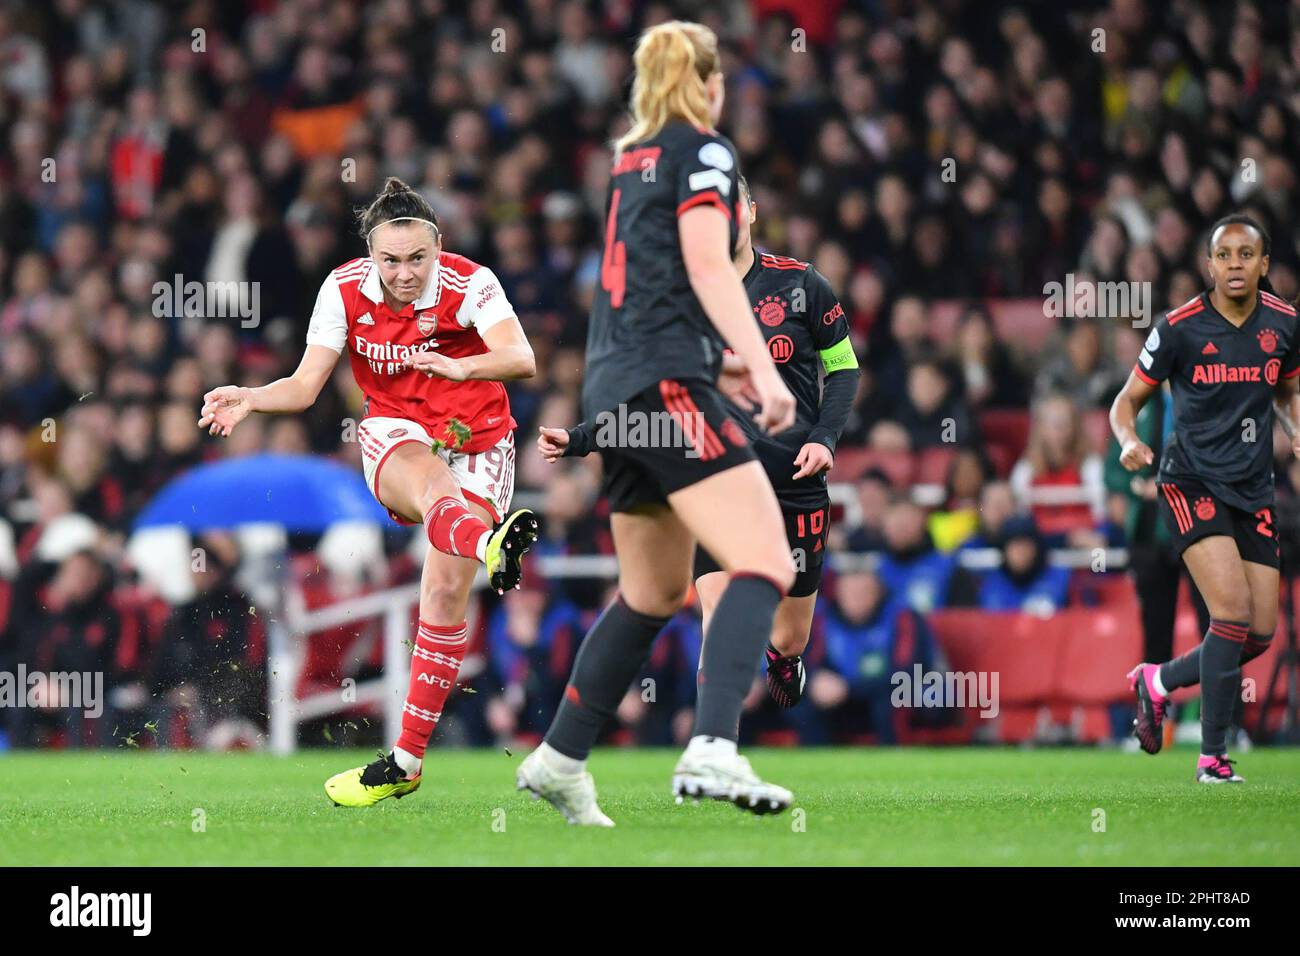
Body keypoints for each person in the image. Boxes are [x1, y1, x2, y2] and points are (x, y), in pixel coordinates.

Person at [514, 20, 799, 825]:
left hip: (617, 388)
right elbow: (708, 263)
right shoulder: (705, 151)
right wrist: (765, 364)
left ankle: (561, 756)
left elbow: (650, 284)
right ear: (710, 84)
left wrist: (718, 359)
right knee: (764, 561)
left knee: (653, 590)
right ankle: (712, 747)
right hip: (664, 388)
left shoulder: (627, 159)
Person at [197, 177, 541, 805]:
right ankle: (488, 540)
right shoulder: (343, 288)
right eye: (391, 260)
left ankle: (405, 763)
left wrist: (463, 364)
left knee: (441, 595)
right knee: (434, 484)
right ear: (372, 254)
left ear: (437, 249)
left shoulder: (471, 283)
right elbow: (304, 388)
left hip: (480, 440)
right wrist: (251, 397)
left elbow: (522, 358)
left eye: (417, 259)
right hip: (396, 430)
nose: (404, 273)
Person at [539, 173, 859, 711]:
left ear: (751, 212)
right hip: (718, 478)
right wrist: (581, 439)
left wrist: (826, 438)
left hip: (795, 480)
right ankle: (715, 746)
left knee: (788, 635)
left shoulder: (803, 285)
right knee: (718, 609)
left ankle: (783, 660)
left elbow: (844, 368)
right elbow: (653, 396)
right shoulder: (679, 300)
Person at [1112, 214, 1300, 783]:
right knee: (1233, 614)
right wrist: (1127, 441)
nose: (1236, 264)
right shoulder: (1179, 327)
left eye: (1247, 255)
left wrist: (1295, 426)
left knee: (1260, 633)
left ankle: (1158, 681)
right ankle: (1212, 758)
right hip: (1190, 481)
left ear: (1264, 265)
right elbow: (1126, 402)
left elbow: (1289, 389)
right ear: (1209, 265)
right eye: (1225, 255)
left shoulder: (1286, 323)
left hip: (1252, 488)